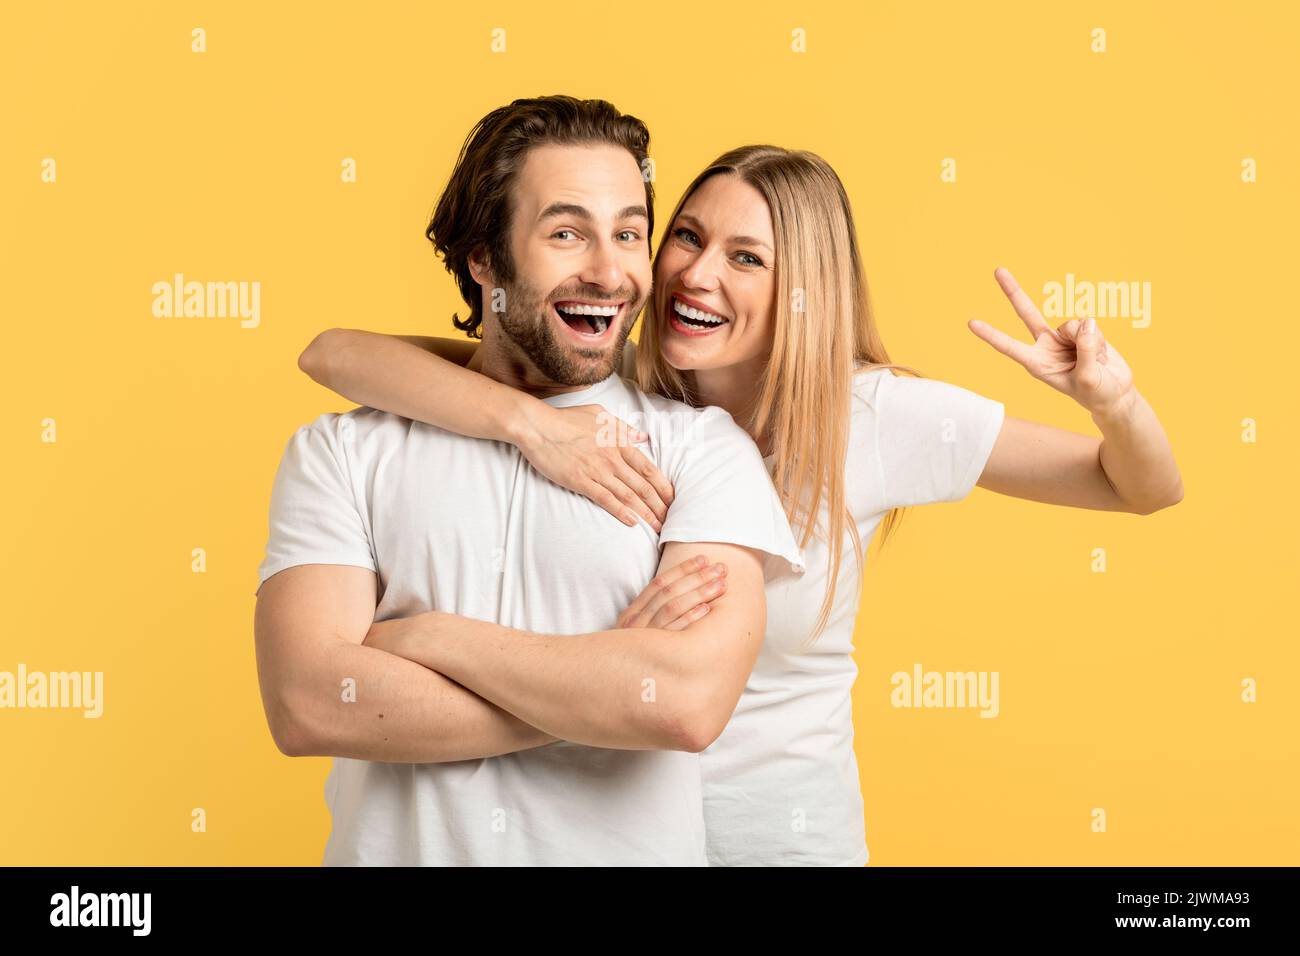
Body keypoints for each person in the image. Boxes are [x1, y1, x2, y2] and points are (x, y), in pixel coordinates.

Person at [300, 139, 1184, 868]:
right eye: (685, 237)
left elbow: (1138, 486)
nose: (694, 274)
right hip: (619, 826)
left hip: (779, 837)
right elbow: (338, 353)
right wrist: (532, 428)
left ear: (807, 288)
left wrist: (1113, 401)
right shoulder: (626, 385)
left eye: (746, 257)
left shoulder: (874, 415)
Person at [253, 96, 806, 866]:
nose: (610, 272)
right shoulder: (343, 451)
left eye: (629, 234)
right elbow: (310, 704)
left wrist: (428, 640)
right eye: (567, 232)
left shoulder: (702, 451)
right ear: (484, 257)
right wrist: (608, 684)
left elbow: (684, 705)